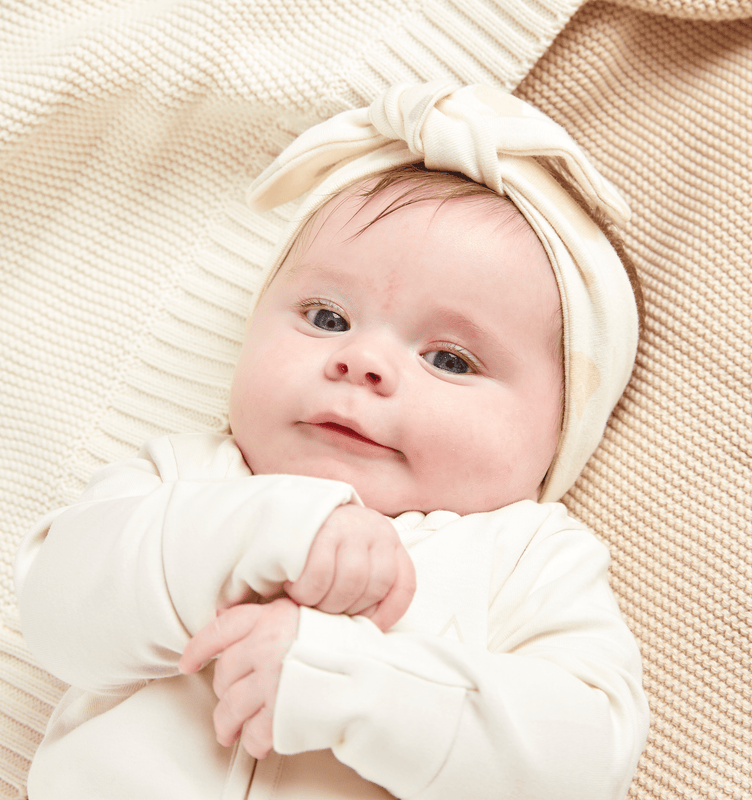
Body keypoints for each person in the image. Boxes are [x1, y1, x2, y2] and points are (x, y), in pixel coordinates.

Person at [15, 82, 649, 800]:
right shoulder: (191, 479)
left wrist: (356, 686)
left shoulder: (529, 562)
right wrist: (258, 531)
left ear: (560, 435)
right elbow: (51, 614)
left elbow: (586, 762)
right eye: (326, 317)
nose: (362, 361)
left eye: (449, 360)